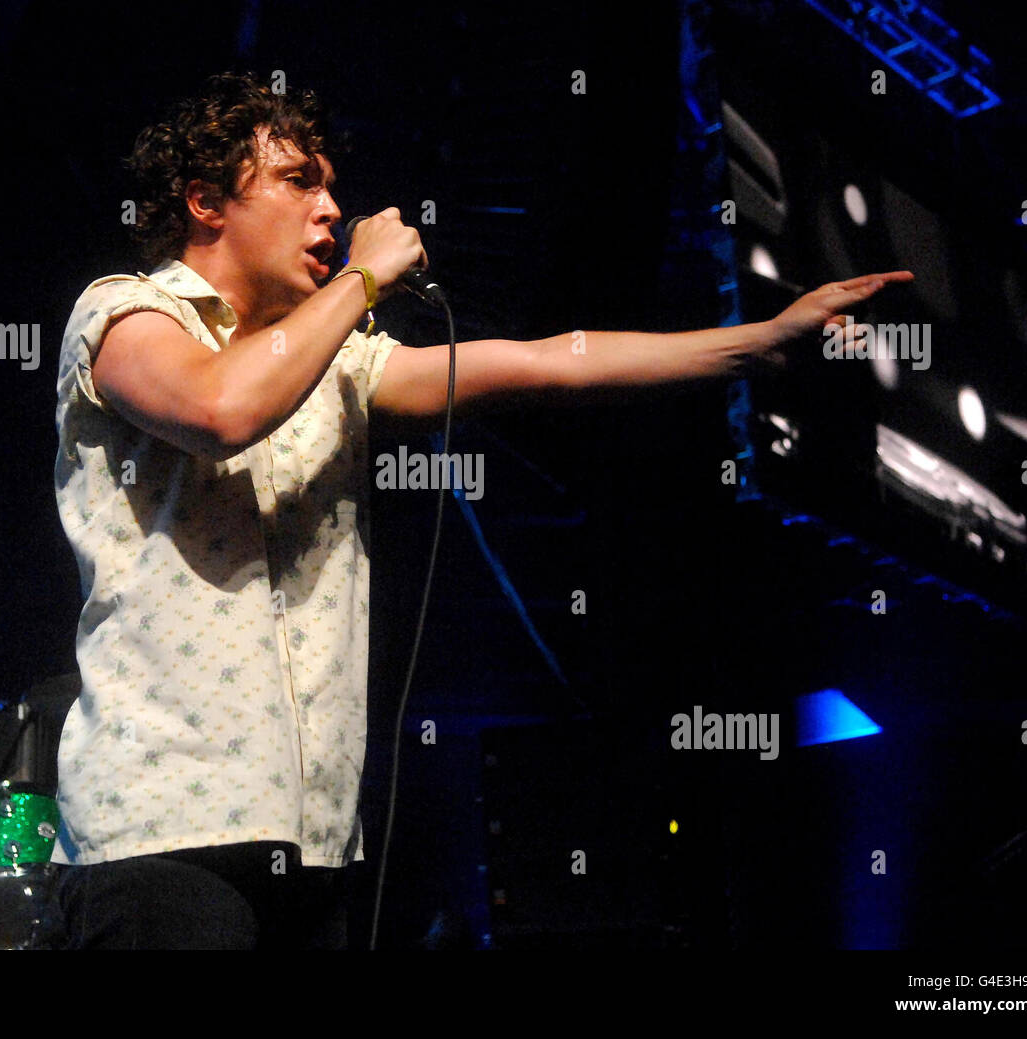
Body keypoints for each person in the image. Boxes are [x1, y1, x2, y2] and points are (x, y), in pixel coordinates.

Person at [49, 71, 912, 949]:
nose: (332, 206)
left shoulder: (340, 363)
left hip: (308, 838)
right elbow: (221, 410)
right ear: (205, 201)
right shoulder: (125, 313)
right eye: (300, 180)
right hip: (160, 830)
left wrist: (756, 344)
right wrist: (361, 280)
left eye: (330, 183)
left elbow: (551, 361)